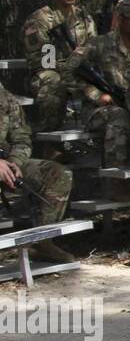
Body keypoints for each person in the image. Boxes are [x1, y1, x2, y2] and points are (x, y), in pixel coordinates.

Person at [68, 0, 130, 167]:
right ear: (120, 20)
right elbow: (68, 73)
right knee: (119, 117)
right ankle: (116, 178)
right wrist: (96, 95)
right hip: (98, 110)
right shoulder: (97, 45)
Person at [0, 85, 75, 262]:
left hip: (5, 166)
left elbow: (22, 140)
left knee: (56, 174)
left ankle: (43, 243)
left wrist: (14, 163)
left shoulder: (5, 97)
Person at [22, 0, 96, 132]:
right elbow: (44, 61)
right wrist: (71, 67)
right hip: (48, 72)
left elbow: (93, 46)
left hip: (79, 69)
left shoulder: (83, 16)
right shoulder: (40, 20)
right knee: (53, 82)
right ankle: (51, 138)